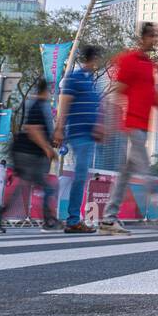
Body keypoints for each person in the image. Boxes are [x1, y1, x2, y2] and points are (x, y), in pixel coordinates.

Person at [100, 22, 158, 236]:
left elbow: (153, 95)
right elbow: (119, 91)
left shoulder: (149, 65)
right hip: (132, 125)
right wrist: (109, 124)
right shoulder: (129, 60)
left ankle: (108, 218)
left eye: (157, 36)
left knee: (125, 175)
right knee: (145, 169)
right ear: (143, 37)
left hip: (143, 126)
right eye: (152, 36)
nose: (156, 40)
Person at [53, 45, 103, 233]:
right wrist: (59, 128)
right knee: (81, 175)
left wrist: (98, 127)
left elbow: (94, 108)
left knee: (82, 175)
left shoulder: (90, 81)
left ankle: (74, 218)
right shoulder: (74, 78)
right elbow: (64, 102)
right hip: (78, 133)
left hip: (89, 135)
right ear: (93, 59)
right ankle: (73, 219)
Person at [4, 79, 60, 230]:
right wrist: (47, 148)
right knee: (47, 188)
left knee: (21, 189)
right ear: (45, 91)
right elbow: (33, 129)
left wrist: (49, 142)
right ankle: (49, 221)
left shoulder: (38, 105)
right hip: (28, 154)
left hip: (29, 154)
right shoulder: (37, 106)